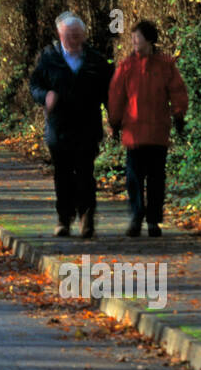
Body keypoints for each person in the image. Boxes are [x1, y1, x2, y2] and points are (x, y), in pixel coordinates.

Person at [29, 13, 114, 239]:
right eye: (69, 35)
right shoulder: (48, 58)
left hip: (88, 126)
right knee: (63, 175)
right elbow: (34, 85)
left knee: (86, 172)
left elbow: (109, 92)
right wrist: (45, 95)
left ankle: (87, 218)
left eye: (78, 35)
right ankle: (64, 220)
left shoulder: (96, 60)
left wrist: (113, 119)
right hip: (59, 127)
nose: (74, 39)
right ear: (60, 34)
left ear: (84, 35)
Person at [107, 19, 189, 238]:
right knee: (134, 178)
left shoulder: (165, 65)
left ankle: (153, 220)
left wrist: (179, 114)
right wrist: (114, 123)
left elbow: (178, 91)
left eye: (138, 36)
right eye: (132, 37)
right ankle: (136, 216)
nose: (134, 40)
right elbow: (116, 96)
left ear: (149, 39)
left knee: (156, 179)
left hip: (157, 132)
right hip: (134, 132)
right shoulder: (126, 67)